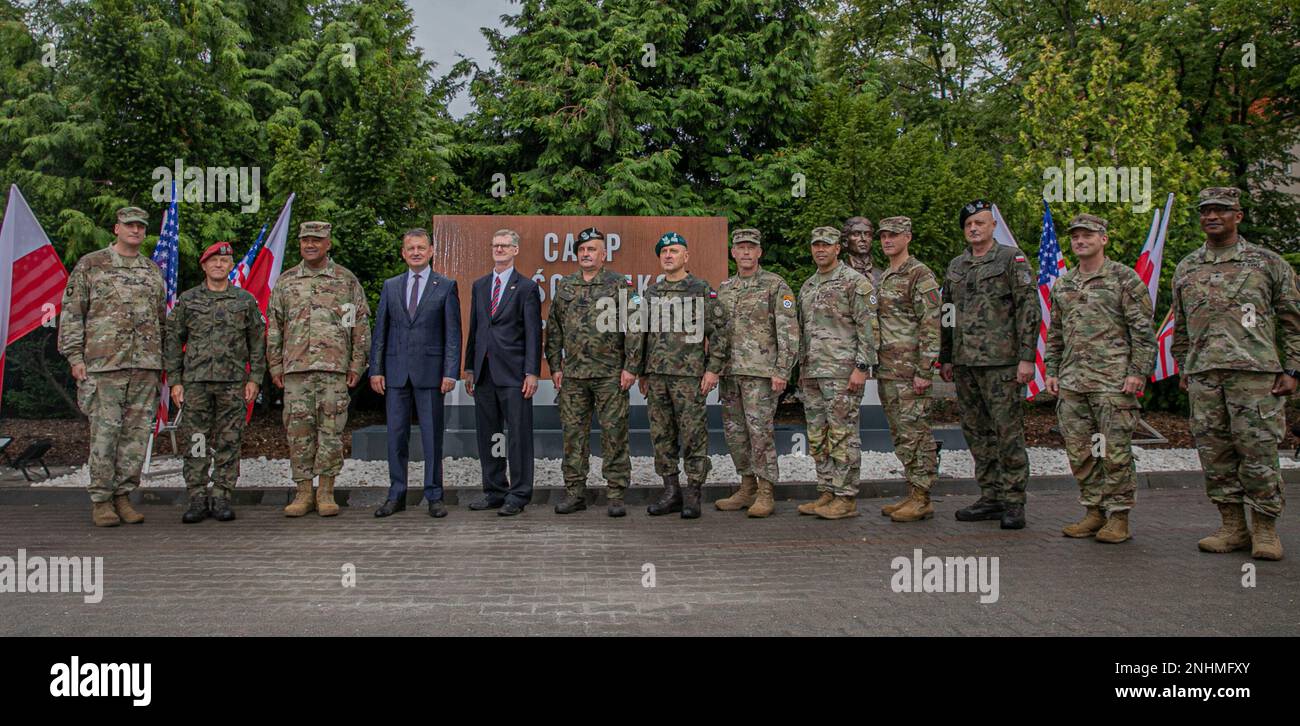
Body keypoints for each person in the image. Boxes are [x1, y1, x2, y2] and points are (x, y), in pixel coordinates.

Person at [1171, 187, 1300, 561]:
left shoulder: (1267, 263)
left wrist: (1292, 368)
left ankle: (1265, 528)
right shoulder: (1188, 266)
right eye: (1206, 210)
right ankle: (1232, 526)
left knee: (1258, 451)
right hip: (1204, 375)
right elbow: (1181, 325)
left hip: (1255, 375)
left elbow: (1293, 322)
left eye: (1221, 210)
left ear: (1237, 216)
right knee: (1216, 454)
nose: (1212, 216)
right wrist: (1184, 366)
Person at [1044, 214, 1155, 544]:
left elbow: (1143, 332)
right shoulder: (1064, 284)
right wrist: (1052, 370)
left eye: (1087, 235)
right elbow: (1056, 333)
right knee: (1080, 451)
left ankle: (1119, 516)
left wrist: (1138, 372)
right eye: (1076, 236)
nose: (1080, 241)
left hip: (1113, 382)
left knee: (1115, 451)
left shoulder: (1124, 279)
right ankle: (1094, 511)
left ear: (1103, 239)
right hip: (1073, 382)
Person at [59, 206, 166, 527]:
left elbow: (160, 319)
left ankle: (124, 495)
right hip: (104, 365)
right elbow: (73, 312)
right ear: (116, 228)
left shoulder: (151, 271)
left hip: (145, 365)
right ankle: (102, 500)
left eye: (140, 226)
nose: (135, 230)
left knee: (135, 436)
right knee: (105, 434)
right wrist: (75, 357)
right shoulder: (92, 264)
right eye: (128, 225)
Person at [940, 200, 1040, 529]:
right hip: (966, 362)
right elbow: (947, 314)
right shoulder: (957, 266)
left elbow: (1028, 310)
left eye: (980, 223)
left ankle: (1014, 500)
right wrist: (947, 356)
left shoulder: (1012, 260)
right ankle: (991, 495)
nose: (974, 228)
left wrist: (1027, 358)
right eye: (969, 224)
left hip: (1002, 363)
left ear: (992, 225)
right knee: (977, 432)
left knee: (1007, 432)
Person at [267, 221, 370, 518]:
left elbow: (358, 326)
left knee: (331, 431)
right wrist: (274, 364)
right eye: (305, 240)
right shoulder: (287, 282)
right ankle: (302, 492)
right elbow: (275, 326)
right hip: (296, 370)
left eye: (316, 240)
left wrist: (356, 364)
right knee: (298, 432)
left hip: (333, 370)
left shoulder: (345, 281)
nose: (310, 245)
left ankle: (325, 491)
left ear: (328, 243)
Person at [164, 242, 266, 523]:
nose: (219, 265)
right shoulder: (189, 300)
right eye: (213, 261)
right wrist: (175, 380)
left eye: (224, 261)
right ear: (204, 265)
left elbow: (257, 342)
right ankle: (197, 496)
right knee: (196, 440)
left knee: (229, 440)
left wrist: (255, 378)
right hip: (195, 383)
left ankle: (222, 495)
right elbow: (173, 340)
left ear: (231, 265)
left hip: (233, 383)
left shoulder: (244, 301)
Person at [544, 227, 642, 517]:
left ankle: (615, 494)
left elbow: (635, 325)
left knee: (614, 434)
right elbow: (554, 328)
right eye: (582, 250)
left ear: (603, 254)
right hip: (573, 376)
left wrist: (631, 367)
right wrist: (554, 365)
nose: (586, 254)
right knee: (573, 435)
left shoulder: (619, 284)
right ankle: (575, 493)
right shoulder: (566, 286)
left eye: (592, 250)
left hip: (610, 375)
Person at [370, 228, 461, 519]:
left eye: (421, 247)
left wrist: (450, 371)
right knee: (396, 437)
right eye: (411, 248)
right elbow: (380, 332)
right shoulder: (391, 286)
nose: (416, 252)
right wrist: (376, 369)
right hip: (396, 374)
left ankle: (434, 495)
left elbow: (453, 334)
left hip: (431, 374)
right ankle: (396, 494)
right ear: (403, 253)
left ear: (432, 251)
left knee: (432, 437)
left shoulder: (445, 286)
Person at [639, 232, 729, 519]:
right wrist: (642, 371)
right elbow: (642, 333)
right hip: (657, 377)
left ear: (686, 256)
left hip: (689, 376)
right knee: (661, 435)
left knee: (693, 435)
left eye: (674, 251)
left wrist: (713, 368)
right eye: (664, 251)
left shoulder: (700, 289)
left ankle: (693, 492)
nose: (668, 255)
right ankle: (671, 491)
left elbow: (719, 332)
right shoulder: (652, 292)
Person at [715, 227, 800, 518]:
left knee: (760, 433)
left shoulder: (776, 285)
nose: (746, 252)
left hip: (761, 374)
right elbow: (718, 332)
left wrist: (782, 369)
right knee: (735, 433)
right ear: (734, 253)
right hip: (729, 374)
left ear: (760, 252)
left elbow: (788, 331)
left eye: (752, 247)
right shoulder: (726, 288)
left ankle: (766, 491)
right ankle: (746, 485)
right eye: (741, 248)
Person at [795, 226, 876, 520]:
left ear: (837, 248)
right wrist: (802, 370)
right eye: (816, 245)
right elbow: (804, 332)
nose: (820, 250)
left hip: (843, 373)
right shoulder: (808, 285)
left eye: (826, 245)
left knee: (843, 434)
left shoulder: (853, 282)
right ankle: (826, 490)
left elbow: (868, 327)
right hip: (813, 373)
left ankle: (846, 497)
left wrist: (862, 367)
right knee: (818, 434)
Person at [463, 228, 542, 517]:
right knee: (491, 435)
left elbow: (534, 333)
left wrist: (532, 372)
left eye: (505, 246)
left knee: (518, 436)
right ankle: (495, 490)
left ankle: (518, 494)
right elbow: (475, 329)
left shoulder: (526, 288)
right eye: (495, 245)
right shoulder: (480, 285)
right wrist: (469, 367)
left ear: (515, 250)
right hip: (484, 374)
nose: (499, 249)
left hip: (514, 375)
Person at [873, 217, 943, 522]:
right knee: (902, 434)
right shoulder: (887, 274)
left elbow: (931, 323)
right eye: (884, 236)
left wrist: (924, 370)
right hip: (889, 370)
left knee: (916, 433)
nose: (887, 240)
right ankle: (913, 491)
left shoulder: (919, 274)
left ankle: (923, 497)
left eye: (894, 235)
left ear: (908, 237)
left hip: (910, 371)